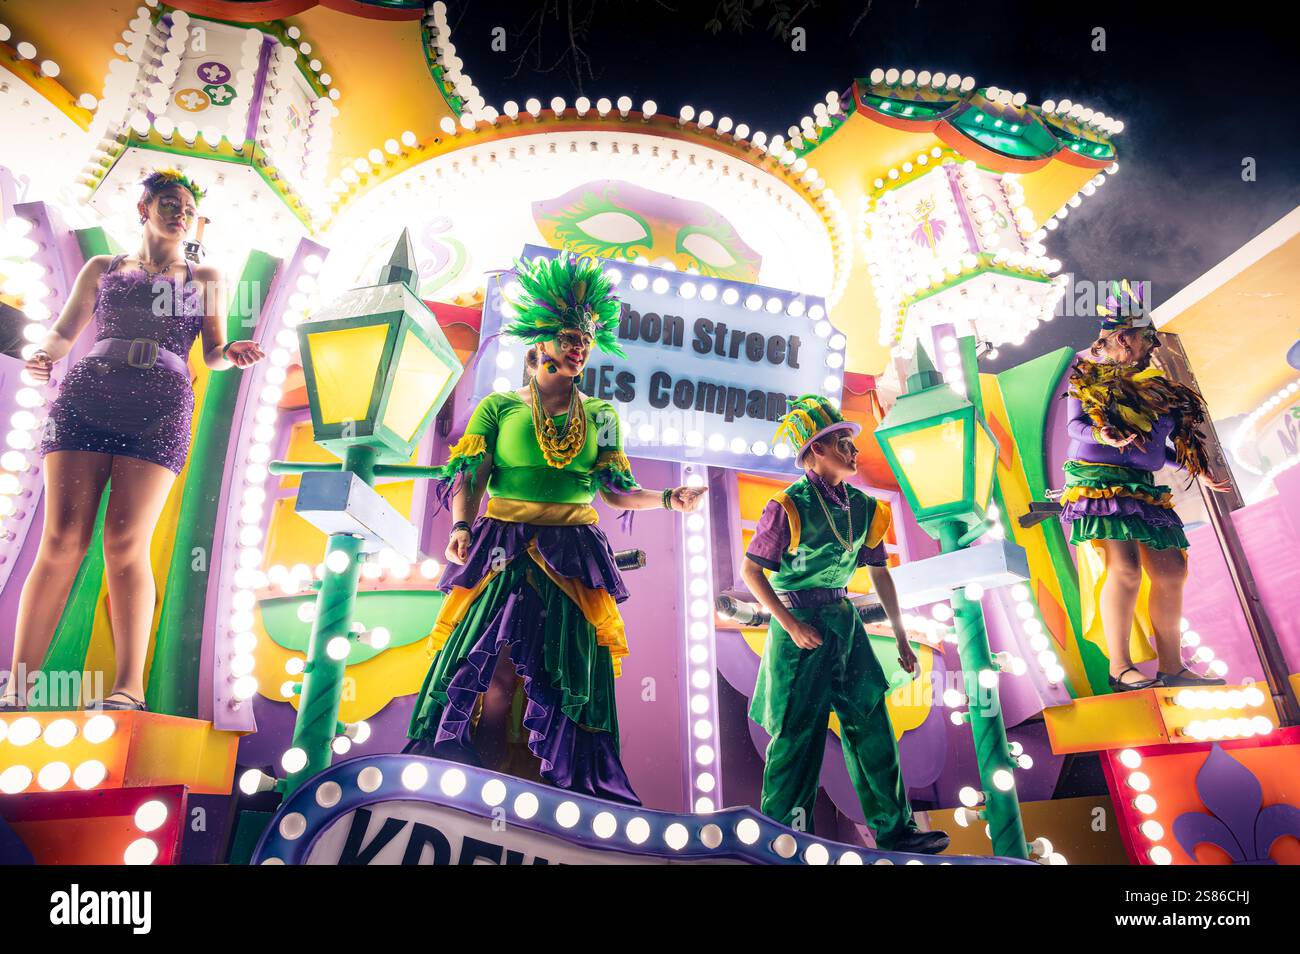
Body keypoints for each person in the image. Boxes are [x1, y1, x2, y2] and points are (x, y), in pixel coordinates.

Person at [405, 253, 705, 804]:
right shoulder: (498, 407)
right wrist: (462, 525)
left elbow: (616, 490)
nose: (580, 347)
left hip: (572, 553)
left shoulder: (603, 415)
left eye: (586, 339)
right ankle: (474, 777)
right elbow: (472, 474)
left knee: (563, 670)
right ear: (539, 343)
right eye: (570, 337)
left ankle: (557, 786)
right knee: (491, 667)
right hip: (501, 545)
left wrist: (669, 499)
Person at [0, 169, 265, 713]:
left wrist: (231, 353)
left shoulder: (206, 275)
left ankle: (129, 688)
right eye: (169, 203)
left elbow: (213, 352)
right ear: (144, 207)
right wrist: (44, 353)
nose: (180, 214)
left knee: (125, 544)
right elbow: (64, 330)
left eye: (188, 209)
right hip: (87, 397)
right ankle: (18, 686)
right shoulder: (103, 267)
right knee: (61, 540)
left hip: (161, 406)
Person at [740, 394, 949, 854]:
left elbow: (880, 574)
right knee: (796, 734)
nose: (854, 450)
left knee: (872, 725)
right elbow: (751, 572)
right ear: (816, 449)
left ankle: (897, 831)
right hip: (800, 625)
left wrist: (900, 636)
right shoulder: (787, 505)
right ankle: (782, 837)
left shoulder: (865, 507)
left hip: (844, 620)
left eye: (851, 443)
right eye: (842, 443)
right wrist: (791, 626)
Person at [1062, 280, 1231, 692]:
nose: (1154, 345)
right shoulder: (1087, 372)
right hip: (1099, 483)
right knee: (1126, 569)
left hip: (1142, 485)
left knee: (1172, 571)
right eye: (1147, 338)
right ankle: (1120, 669)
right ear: (1124, 338)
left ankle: (1172, 667)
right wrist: (1105, 435)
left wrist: (1195, 467)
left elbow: (1154, 447)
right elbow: (1075, 426)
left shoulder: (1154, 384)